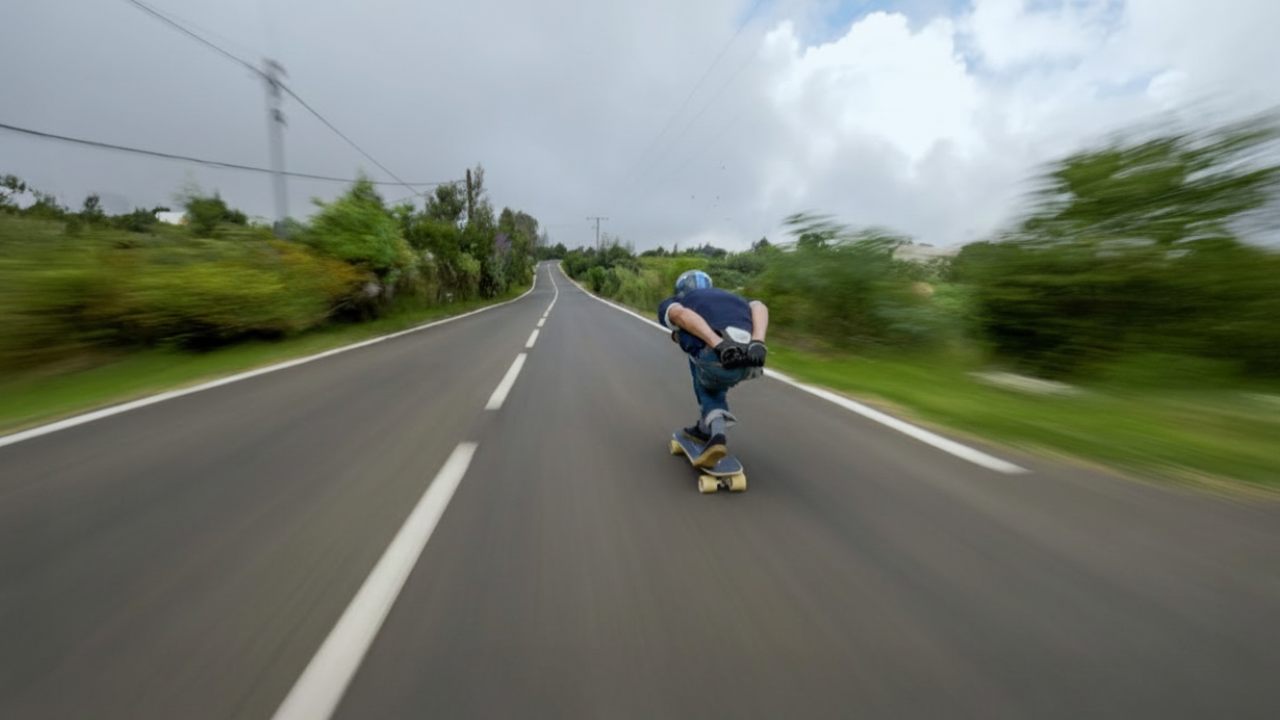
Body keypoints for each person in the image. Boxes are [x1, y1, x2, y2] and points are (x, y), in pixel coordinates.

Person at [658, 269, 769, 467]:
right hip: (750, 360)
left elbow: (679, 314)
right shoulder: (731, 297)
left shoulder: (679, 300)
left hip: (718, 359)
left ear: (681, 289)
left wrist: (718, 343)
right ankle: (704, 427)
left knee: (695, 357)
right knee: (712, 381)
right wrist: (758, 341)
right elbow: (759, 306)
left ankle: (714, 432)